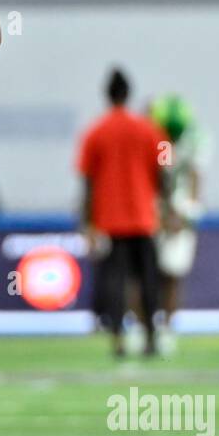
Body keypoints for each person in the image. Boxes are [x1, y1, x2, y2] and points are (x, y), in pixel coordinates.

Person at [77, 69, 165, 357]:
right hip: (143, 217)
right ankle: (152, 335)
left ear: (107, 94)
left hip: (110, 219)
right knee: (148, 279)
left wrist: (87, 222)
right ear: (129, 93)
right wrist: (162, 204)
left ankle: (118, 339)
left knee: (115, 281)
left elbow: (87, 181)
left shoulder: (95, 131)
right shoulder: (149, 129)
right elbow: (164, 166)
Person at [149, 93, 206, 354]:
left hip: (179, 214)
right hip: (156, 212)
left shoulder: (194, 141)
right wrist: (164, 213)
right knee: (149, 275)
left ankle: (167, 328)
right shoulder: (158, 143)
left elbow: (195, 178)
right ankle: (146, 326)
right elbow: (159, 178)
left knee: (174, 273)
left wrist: (185, 213)